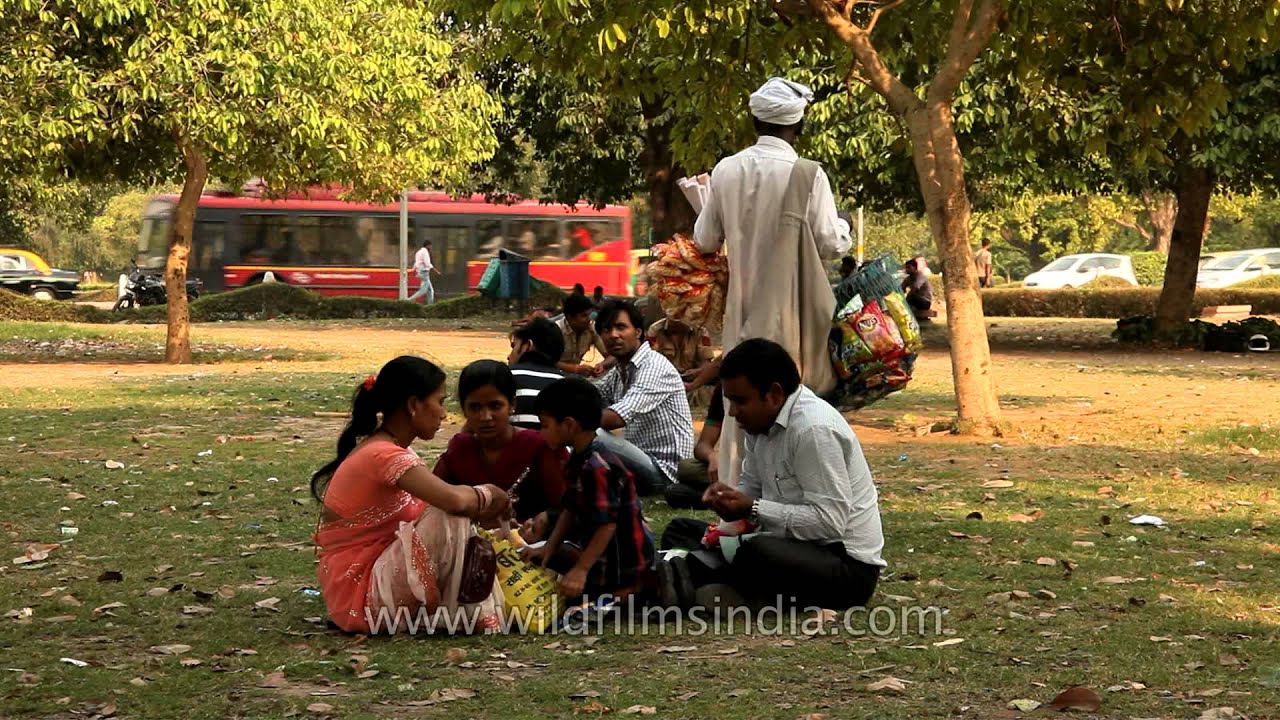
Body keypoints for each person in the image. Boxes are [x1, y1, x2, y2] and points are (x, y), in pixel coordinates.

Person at [692, 76, 852, 487]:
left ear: (755, 122)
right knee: (790, 404)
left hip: (741, 316)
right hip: (791, 317)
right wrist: (845, 227)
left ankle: (736, 503)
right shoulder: (808, 175)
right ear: (797, 126)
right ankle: (790, 497)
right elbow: (831, 243)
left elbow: (705, 239)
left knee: (739, 410)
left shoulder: (727, 170)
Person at [658, 339, 885, 612]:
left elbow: (829, 523)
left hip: (843, 566)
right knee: (680, 530)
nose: (732, 412)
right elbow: (751, 488)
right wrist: (729, 511)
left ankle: (702, 579)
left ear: (774, 394)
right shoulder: (758, 424)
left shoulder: (813, 430)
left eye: (740, 401)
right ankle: (708, 578)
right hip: (784, 543)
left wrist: (752, 508)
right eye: (729, 401)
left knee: (756, 552)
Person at [312, 356, 510, 634]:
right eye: (439, 402)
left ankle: (464, 614)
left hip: (369, 582)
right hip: (362, 593)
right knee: (450, 514)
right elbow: (453, 501)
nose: (443, 414)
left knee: (453, 515)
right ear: (414, 405)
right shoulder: (384, 455)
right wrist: (491, 495)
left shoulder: (393, 451)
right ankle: (474, 618)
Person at [522, 377, 656, 603]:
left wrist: (580, 570)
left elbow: (607, 525)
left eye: (545, 425)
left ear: (569, 425)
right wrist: (549, 548)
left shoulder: (597, 467)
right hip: (599, 554)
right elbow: (570, 509)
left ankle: (635, 588)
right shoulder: (578, 457)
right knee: (549, 561)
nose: (541, 433)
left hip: (622, 561)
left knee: (584, 598)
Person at [433, 360, 566, 523]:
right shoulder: (460, 448)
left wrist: (544, 523)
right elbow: (432, 501)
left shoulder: (539, 446)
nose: (486, 417)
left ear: (512, 405)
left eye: (495, 406)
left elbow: (567, 508)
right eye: (475, 408)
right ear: (464, 410)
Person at [594, 299, 695, 496]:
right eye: (606, 329)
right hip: (642, 462)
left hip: (664, 473)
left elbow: (615, 419)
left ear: (638, 332)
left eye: (621, 327)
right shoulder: (620, 370)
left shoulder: (653, 367)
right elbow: (591, 392)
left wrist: (568, 417)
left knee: (588, 431)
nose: (613, 335)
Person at [664, 386, 723, 511]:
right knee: (687, 469)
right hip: (729, 470)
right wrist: (713, 457)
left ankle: (724, 498)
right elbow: (703, 445)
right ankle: (722, 496)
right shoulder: (722, 391)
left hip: (759, 470)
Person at [507, 317, 567, 430]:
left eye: (514, 346)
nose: (509, 356)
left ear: (528, 345)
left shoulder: (504, 376)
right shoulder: (568, 385)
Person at [646, 316, 716, 384]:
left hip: (692, 382)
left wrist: (697, 371)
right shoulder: (655, 330)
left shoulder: (700, 331)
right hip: (663, 380)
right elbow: (648, 362)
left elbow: (706, 363)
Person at [556, 293, 610, 377]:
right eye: (584, 316)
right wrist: (575, 369)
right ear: (570, 317)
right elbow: (546, 362)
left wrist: (602, 365)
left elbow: (609, 355)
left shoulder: (591, 328)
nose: (589, 319)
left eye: (589, 315)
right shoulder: (556, 330)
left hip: (575, 377)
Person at [409, 239, 442, 304]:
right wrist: (436, 271)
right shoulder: (425, 252)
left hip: (421, 272)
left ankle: (430, 306)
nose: (431, 248)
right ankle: (408, 300)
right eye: (431, 246)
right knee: (423, 290)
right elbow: (427, 263)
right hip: (424, 273)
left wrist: (413, 270)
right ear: (428, 245)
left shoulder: (418, 252)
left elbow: (416, 263)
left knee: (430, 290)